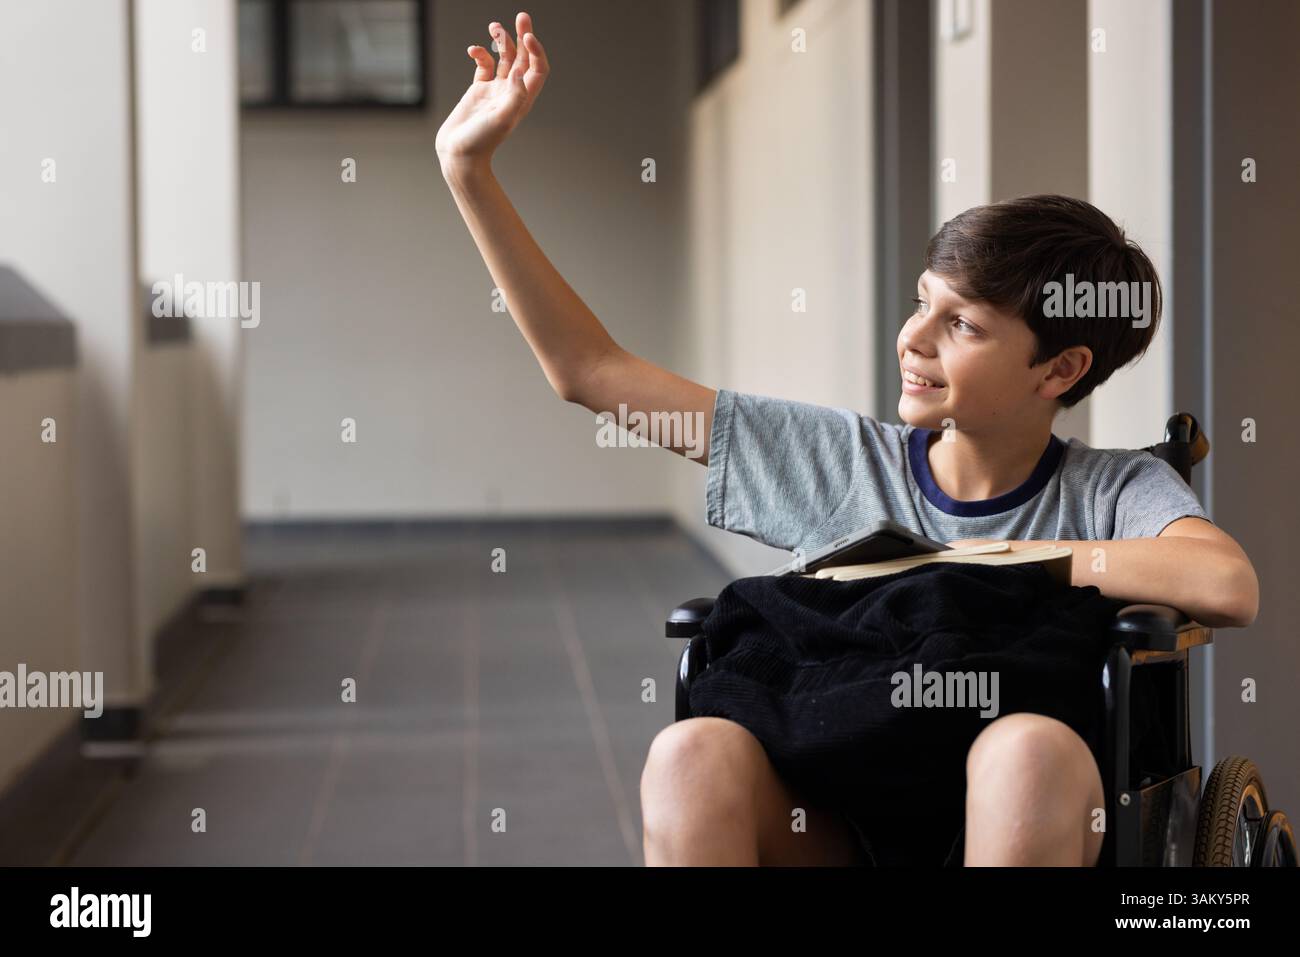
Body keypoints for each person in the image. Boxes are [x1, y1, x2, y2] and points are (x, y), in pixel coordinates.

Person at [435, 12, 1259, 866]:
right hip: (835, 828)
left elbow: (1226, 581)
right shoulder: (838, 463)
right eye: (921, 302)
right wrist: (470, 172)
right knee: (689, 754)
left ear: (1058, 369)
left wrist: (1013, 558)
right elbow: (590, 371)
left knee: (1027, 750)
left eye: (963, 325)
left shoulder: (1112, 492)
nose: (913, 337)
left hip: (1033, 810)